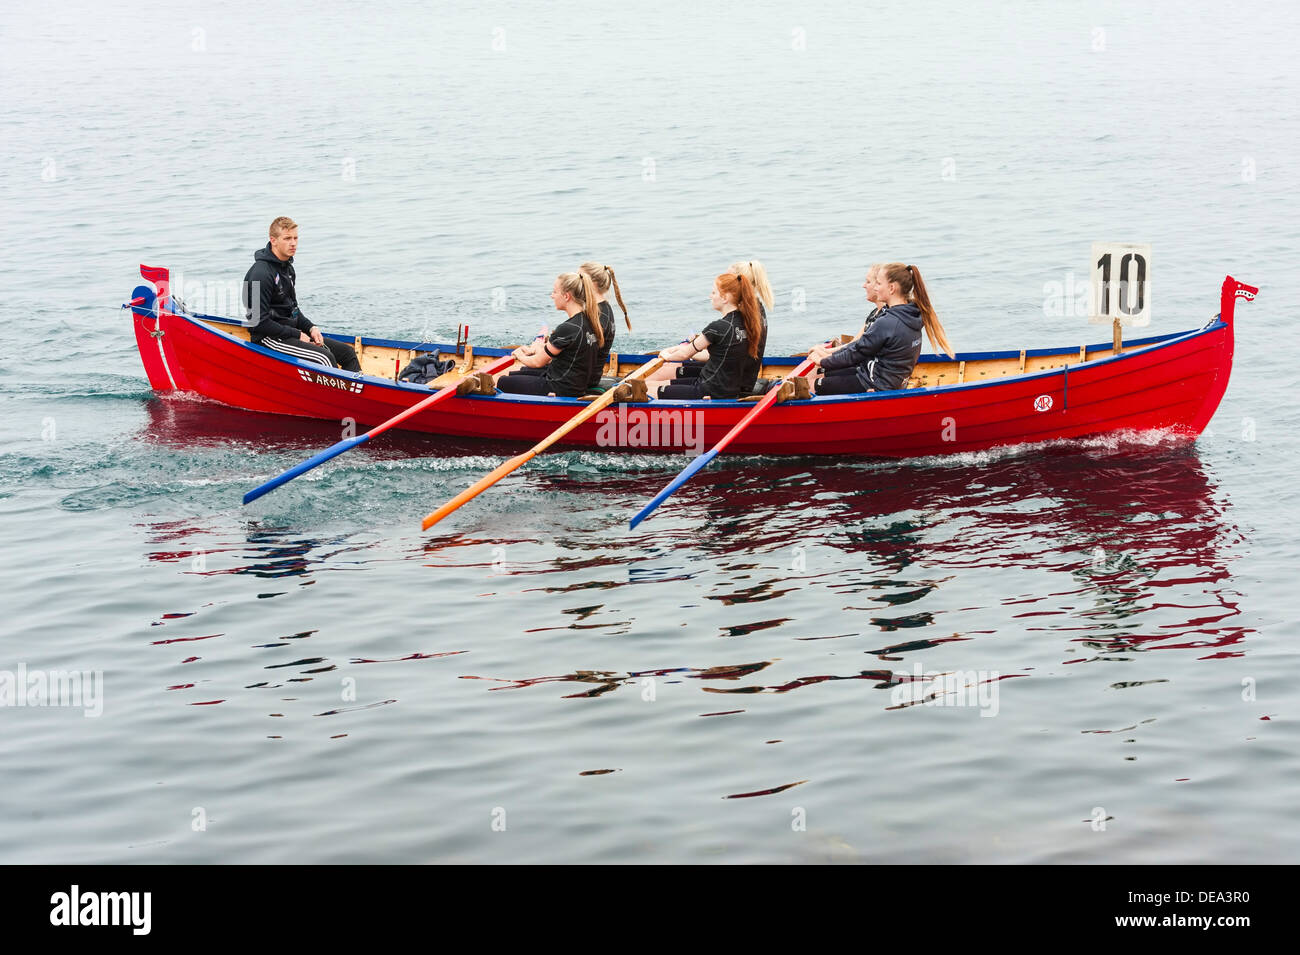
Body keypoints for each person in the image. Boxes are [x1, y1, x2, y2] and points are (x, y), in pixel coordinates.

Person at [809, 263, 954, 395]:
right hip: (887, 379)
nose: (875, 287)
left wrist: (822, 361)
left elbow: (856, 352)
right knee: (824, 372)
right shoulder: (912, 312)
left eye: (878, 283)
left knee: (812, 383)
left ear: (891, 288)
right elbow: (860, 346)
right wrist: (827, 357)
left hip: (876, 384)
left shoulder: (888, 322)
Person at [242, 217, 360, 371]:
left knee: (347, 353)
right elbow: (257, 321)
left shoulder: (287, 268)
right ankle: (331, 395)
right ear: (273, 240)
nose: (293, 243)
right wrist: (297, 335)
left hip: (289, 332)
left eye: (295, 238)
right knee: (324, 358)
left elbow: (293, 309)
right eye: (287, 238)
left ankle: (354, 393)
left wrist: (310, 328)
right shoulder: (260, 273)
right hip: (268, 338)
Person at [648, 259, 773, 393]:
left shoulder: (741, 320)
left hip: (727, 383)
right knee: (669, 369)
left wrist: (684, 349)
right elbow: (726, 351)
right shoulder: (754, 312)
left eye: (729, 280)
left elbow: (723, 347)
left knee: (658, 377)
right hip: (731, 376)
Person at [495, 272, 603, 397]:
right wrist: (534, 350)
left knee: (502, 381)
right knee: (515, 374)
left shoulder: (568, 328)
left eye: (555, 292)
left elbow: (537, 362)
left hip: (559, 388)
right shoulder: (589, 321)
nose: (552, 296)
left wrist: (519, 355)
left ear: (566, 296)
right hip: (572, 383)